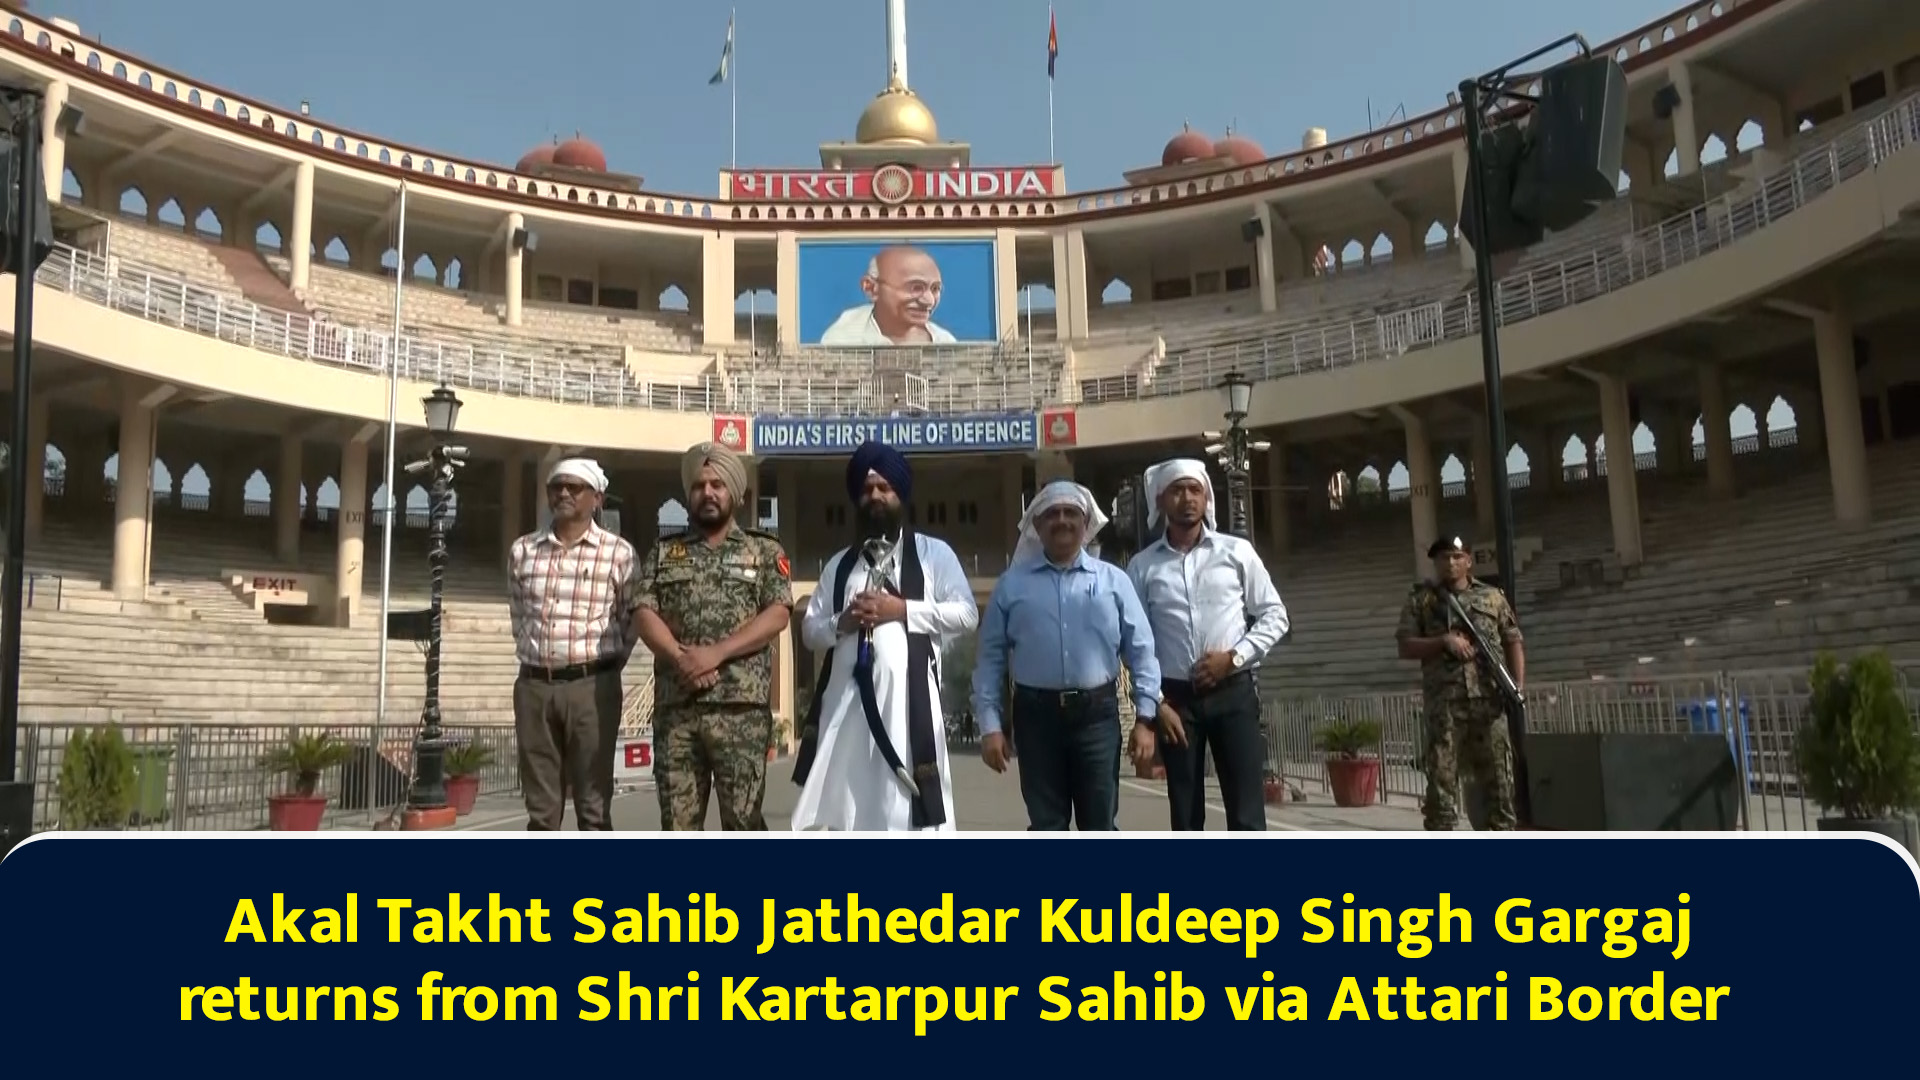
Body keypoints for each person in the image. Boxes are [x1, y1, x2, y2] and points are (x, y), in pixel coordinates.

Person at [790, 441, 978, 831]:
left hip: (911, 713)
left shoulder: (933, 555)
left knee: (908, 817)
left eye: (884, 488)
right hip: (847, 714)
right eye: (867, 489)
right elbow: (810, 629)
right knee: (850, 814)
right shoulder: (841, 566)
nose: (875, 495)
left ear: (900, 494)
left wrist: (903, 610)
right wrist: (842, 623)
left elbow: (967, 614)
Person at [971, 479, 1174, 831]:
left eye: (1070, 513)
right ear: (1037, 525)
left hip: (1097, 718)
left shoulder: (1114, 581)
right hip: (1036, 720)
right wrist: (990, 725)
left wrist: (1145, 719)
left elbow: (1141, 652)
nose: (1062, 521)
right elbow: (989, 660)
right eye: (1052, 514)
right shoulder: (1011, 585)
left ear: (1086, 523)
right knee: (1046, 825)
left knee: (1100, 823)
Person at [632, 441, 795, 830]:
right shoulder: (664, 551)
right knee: (677, 825)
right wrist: (681, 657)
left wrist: (716, 654)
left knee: (743, 822)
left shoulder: (764, 550)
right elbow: (643, 611)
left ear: (735, 495)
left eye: (718, 485)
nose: (708, 493)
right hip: (678, 713)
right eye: (699, 485)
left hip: (739, 711)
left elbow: (777, 614)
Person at [1126, 459, 1290, 831]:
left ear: (1207, 498)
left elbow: (1275, 616)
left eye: (1195, 490)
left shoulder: (1236, 552)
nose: (1187, 499)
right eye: (1177, 490)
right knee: (1185, 814)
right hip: (1175, 703)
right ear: (1161, 499)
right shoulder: (1143, 567)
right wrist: (1155, 705)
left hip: (1232, 692)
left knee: (1246, 810)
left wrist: (1233, 658)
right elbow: (1134, 643)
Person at [506, 457, 638, 831]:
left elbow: (631, 619)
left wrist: (605, 668)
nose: (563, 493)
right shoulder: (523, 552)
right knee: (541, 808)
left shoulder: (619, 554)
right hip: (535, 686)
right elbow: (519, 615)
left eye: (574, 487)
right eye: (556, 486)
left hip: (591, 687)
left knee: (593, 805)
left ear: (597, 498)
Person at [1394, 535, 1526, 831]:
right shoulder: (1422, 601)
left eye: (1456, 556)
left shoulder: (1492, 597)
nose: (1450, 563)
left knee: (1500, 782)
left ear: (1468, 560)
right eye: (1443, 558)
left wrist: (1517, 685)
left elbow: (1513, 640)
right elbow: (1405, 646)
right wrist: (1443, 641)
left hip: (1489, 702)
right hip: (1446, 705)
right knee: (1441, 785)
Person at [818, 245, 958, 345]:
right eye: (915, 288)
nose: (929, 301)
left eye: (935, 289)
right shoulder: (842, 338)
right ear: (871, 288)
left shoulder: (945, 342)